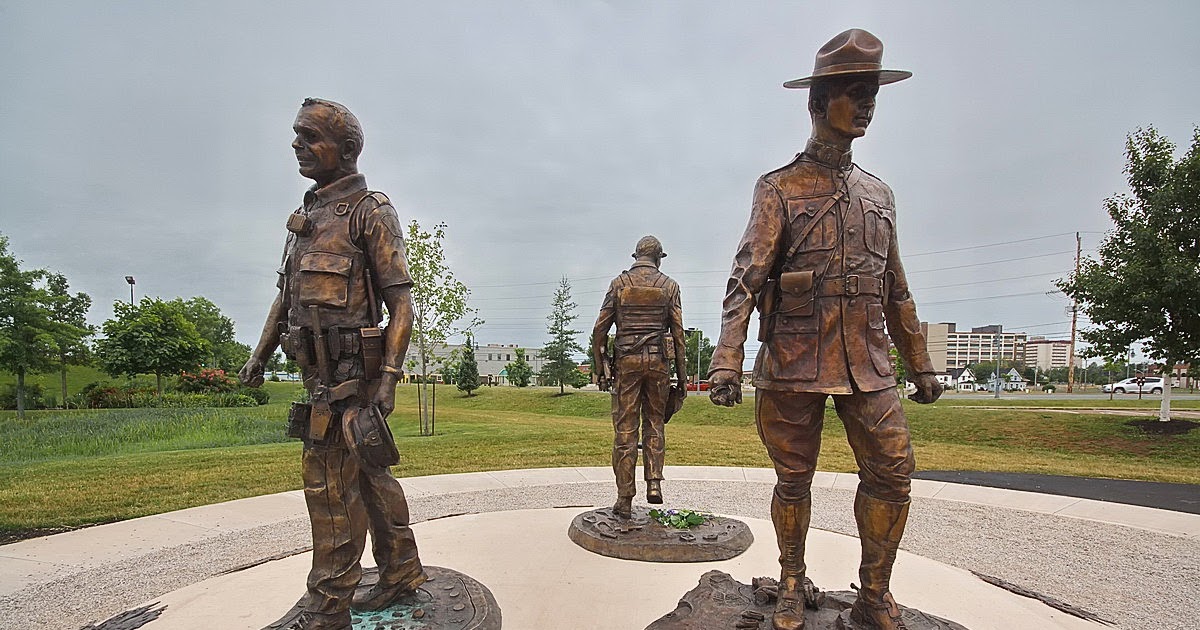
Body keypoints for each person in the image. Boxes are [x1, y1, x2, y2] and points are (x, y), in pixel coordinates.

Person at [707, 30, 942, 630]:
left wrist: (919, 361)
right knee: (793, 478)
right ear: (818, 102)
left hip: (867, 359)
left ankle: (875, 595)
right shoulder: (779, 187)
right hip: (794, 356)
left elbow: (896, 286)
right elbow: (747, 278)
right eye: (854, 92)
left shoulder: (879, 194)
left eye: (872, 93)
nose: (866, 104)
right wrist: (726, 359)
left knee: (893, 468)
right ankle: (790, 581)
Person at [239, 98, 425, 630]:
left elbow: (401, 303)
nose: (297, 144)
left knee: (327, 486)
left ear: (346, 150)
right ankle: (402, 570)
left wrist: (388, 377)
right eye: (296, 135)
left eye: (309, 136)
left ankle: (328, 603)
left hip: (354, 379)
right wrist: (260, 353)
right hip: (316, 373)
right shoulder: (304, 220)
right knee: (370, 475)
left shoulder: (370, 211)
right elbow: (285, 296)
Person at [592, 235, 687, 518]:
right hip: (658, 363)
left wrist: (600, 366)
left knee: (625, 430)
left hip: (627, 363)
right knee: (655, 422)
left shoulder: (619, 285)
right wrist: (682, 378)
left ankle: (624, 497)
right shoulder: (670, 286)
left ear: (636, 257)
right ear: (659, 257)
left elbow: (600, 330)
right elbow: (679, 335)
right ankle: (654, 482)